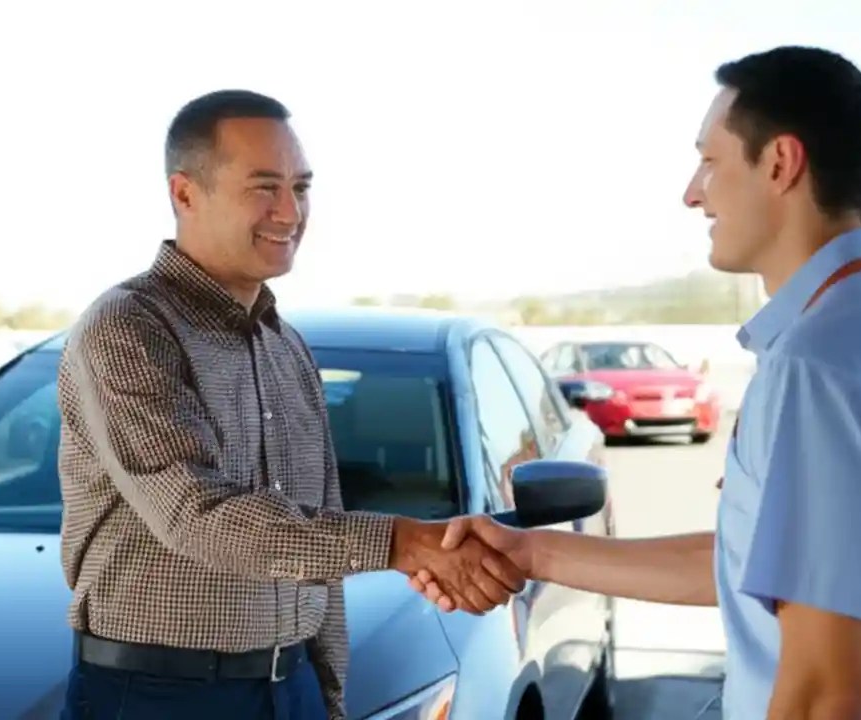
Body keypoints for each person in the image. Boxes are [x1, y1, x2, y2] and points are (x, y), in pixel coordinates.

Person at [411, 46, 861, 720]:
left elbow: (825, 692)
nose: (693, 191)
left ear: (781, 163)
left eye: (710, 160)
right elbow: (754, 569)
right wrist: (530, 552)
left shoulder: (820, 365)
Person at [57, 89, 524, 720]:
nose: (290, 211)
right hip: (159, 695)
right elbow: (197, 515)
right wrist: (402, 543)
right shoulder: (127, 327)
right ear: (185, 193)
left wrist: (326, 693)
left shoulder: (287, 346)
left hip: (290, 686)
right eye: (264, 186)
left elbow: (315, 530)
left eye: (301, 187)